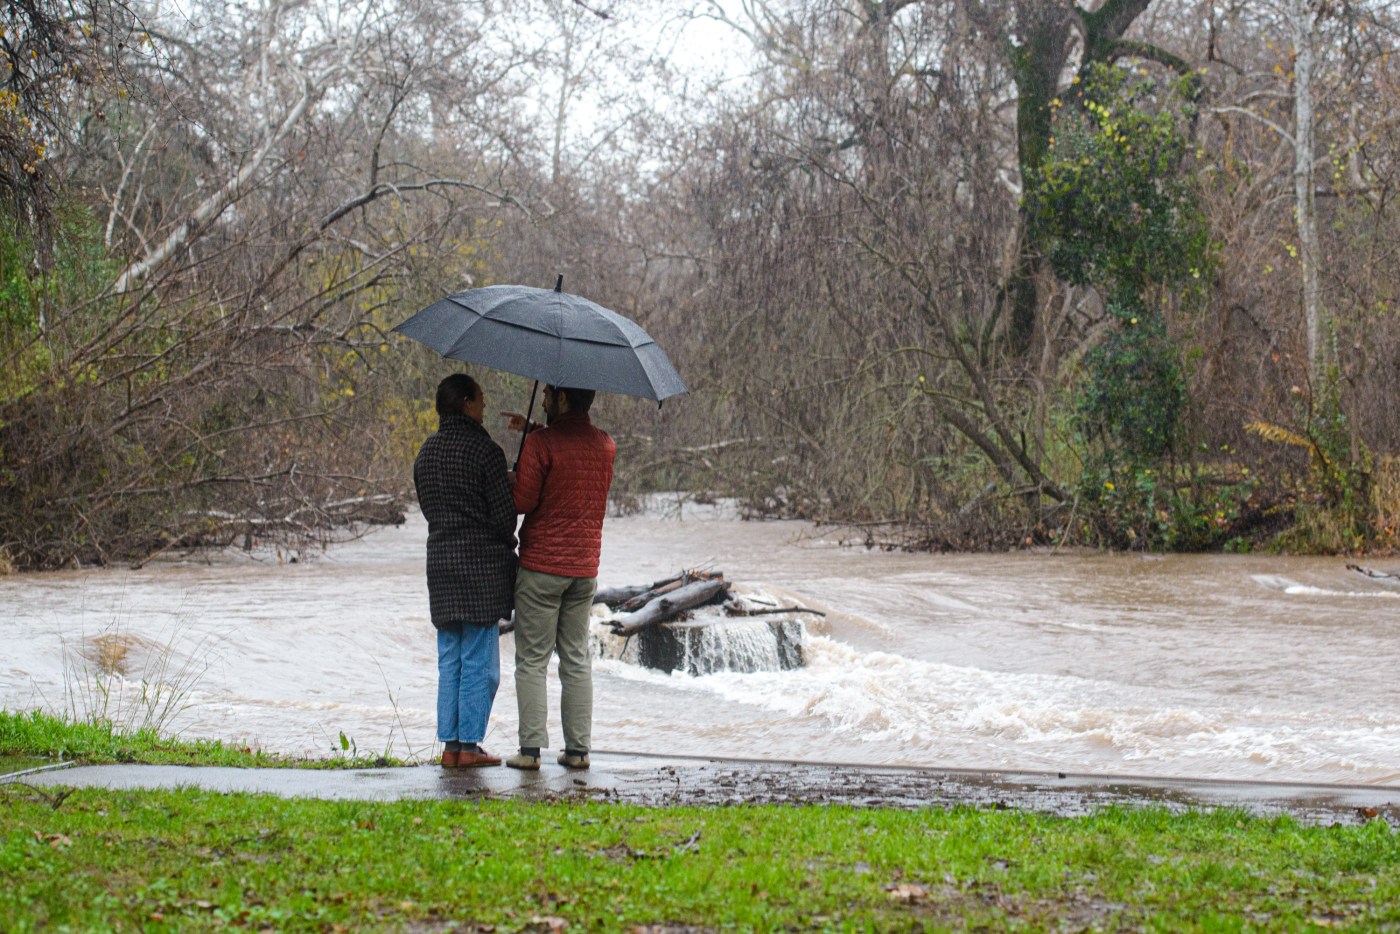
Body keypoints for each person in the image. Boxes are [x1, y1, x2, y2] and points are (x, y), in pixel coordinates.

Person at [504, 384, 616, 771]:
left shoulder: (541, 446)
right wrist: (534, 427)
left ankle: (530, 751)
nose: (547, 396)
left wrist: (515, 472)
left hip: (542, 567)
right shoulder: (606, 445)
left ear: (563, 399)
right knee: (575, 658)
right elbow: (573, 462)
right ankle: (578, 750)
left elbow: (522, 502)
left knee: (532, 660)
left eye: (550, 393)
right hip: (584, 569)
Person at [412, 373, 517, 769]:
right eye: (481, 400)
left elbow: (429, 509)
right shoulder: (485, 452)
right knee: (478, 661)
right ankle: (470, 747)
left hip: (440, 565)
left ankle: (452, 745)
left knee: (449, 659)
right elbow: (504, 520)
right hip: (480, 569)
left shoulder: (426, 453)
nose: (485, 406)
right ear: (467, 404)